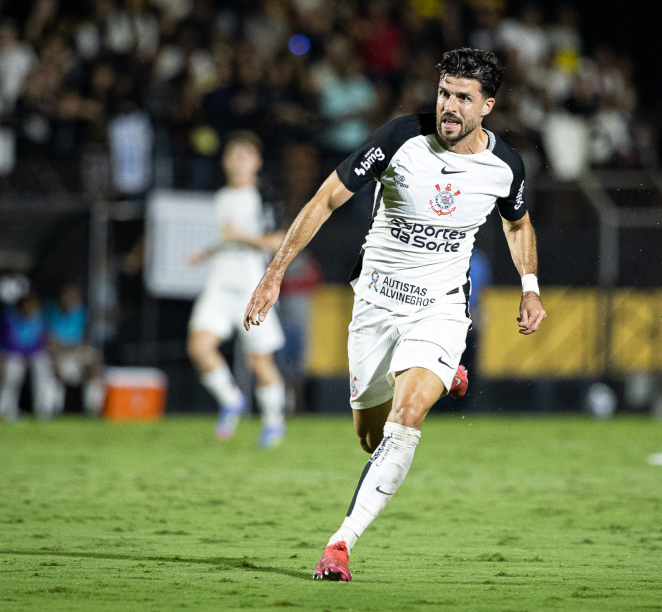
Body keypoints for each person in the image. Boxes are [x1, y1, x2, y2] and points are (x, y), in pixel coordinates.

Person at [243, 48, 547, 581]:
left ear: (489, 105)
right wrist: (274, 273)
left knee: (407, 421)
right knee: (369, 437)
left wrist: (530, 287)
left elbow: (517, 224)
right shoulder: (401, 137)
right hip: (377, 305)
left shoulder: (505, 167)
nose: (449, 107)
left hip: (441, 309)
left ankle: (341, 543)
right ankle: (437, 371)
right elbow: (324, 199)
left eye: (463, 98)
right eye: (444, 93)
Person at [187, 130, 288, 446]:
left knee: (259, 362)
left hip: (250, 286)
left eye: (245, 155)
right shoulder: (221, 198)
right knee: (199, 348)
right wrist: (206, 252)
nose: (238, 161)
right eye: (233, 154)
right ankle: (232, 400)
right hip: (219, 283)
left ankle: (274, 422)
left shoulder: (264, 196)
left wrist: (241, 236)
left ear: (256, 162)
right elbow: (227, 237)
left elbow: (279, 240)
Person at [0, 292, 56, 421]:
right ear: (19, 307)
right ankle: (8, 410)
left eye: (31, 306)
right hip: (16, 356)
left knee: (42, 368)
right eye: (25, 306)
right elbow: (10, 343)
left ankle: (42, 410)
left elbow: (40, 344)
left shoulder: (39, 321)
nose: (28, 309)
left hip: (32, 356)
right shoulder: (11, 320)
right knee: (12, 371)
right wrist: (24, 355)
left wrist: (28, 354)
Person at [44, 283, 105, 415]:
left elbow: (86, 339)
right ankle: (53, 409)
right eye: (65, 296)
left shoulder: (82, 313)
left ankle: (93, 409)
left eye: (71, 296)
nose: (68, 299)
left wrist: (72, 346)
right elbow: (51, 341)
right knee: (50, 364)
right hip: (57, 355)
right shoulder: (51, 312)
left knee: (94, 360)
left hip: (76, 352)